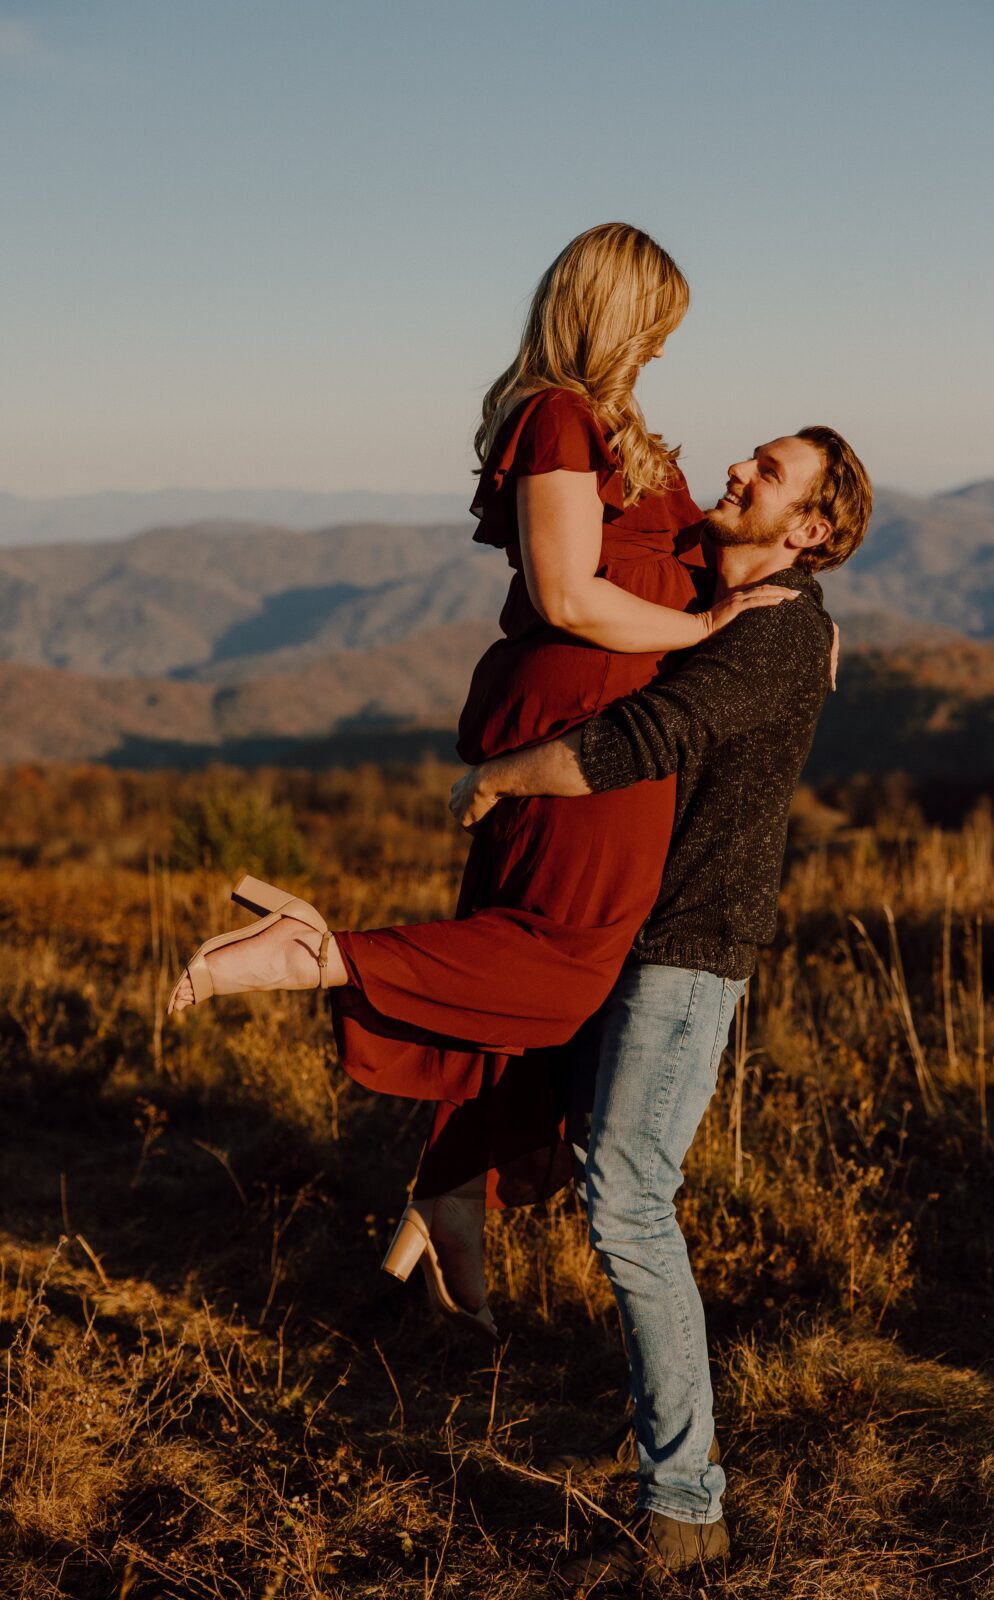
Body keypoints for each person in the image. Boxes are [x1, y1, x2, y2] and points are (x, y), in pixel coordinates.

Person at [166, 222, 793, 1337]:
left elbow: (687, 554)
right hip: (588, 718)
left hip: (605, 712)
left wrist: (796, 621)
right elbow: (565, 592)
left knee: (528, 977)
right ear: (612, 309)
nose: (658, 348)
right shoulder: (557, 413)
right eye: (654, 325)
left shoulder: (609, 423)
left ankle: (453, 1195)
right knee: (563, 966)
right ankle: (318, 955)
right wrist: (703, 627)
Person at [448, 424, 873, 1587]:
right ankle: (654, 1433)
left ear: (809, 532)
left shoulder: (782, 633)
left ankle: (685, 1509)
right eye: (746, 455)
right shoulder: (710, 586)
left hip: (684, 953)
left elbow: (641, 740)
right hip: (627, 936)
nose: (737, 469)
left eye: (767, 474)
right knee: (604, 1173)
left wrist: (498, 775)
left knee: (629, 1200)